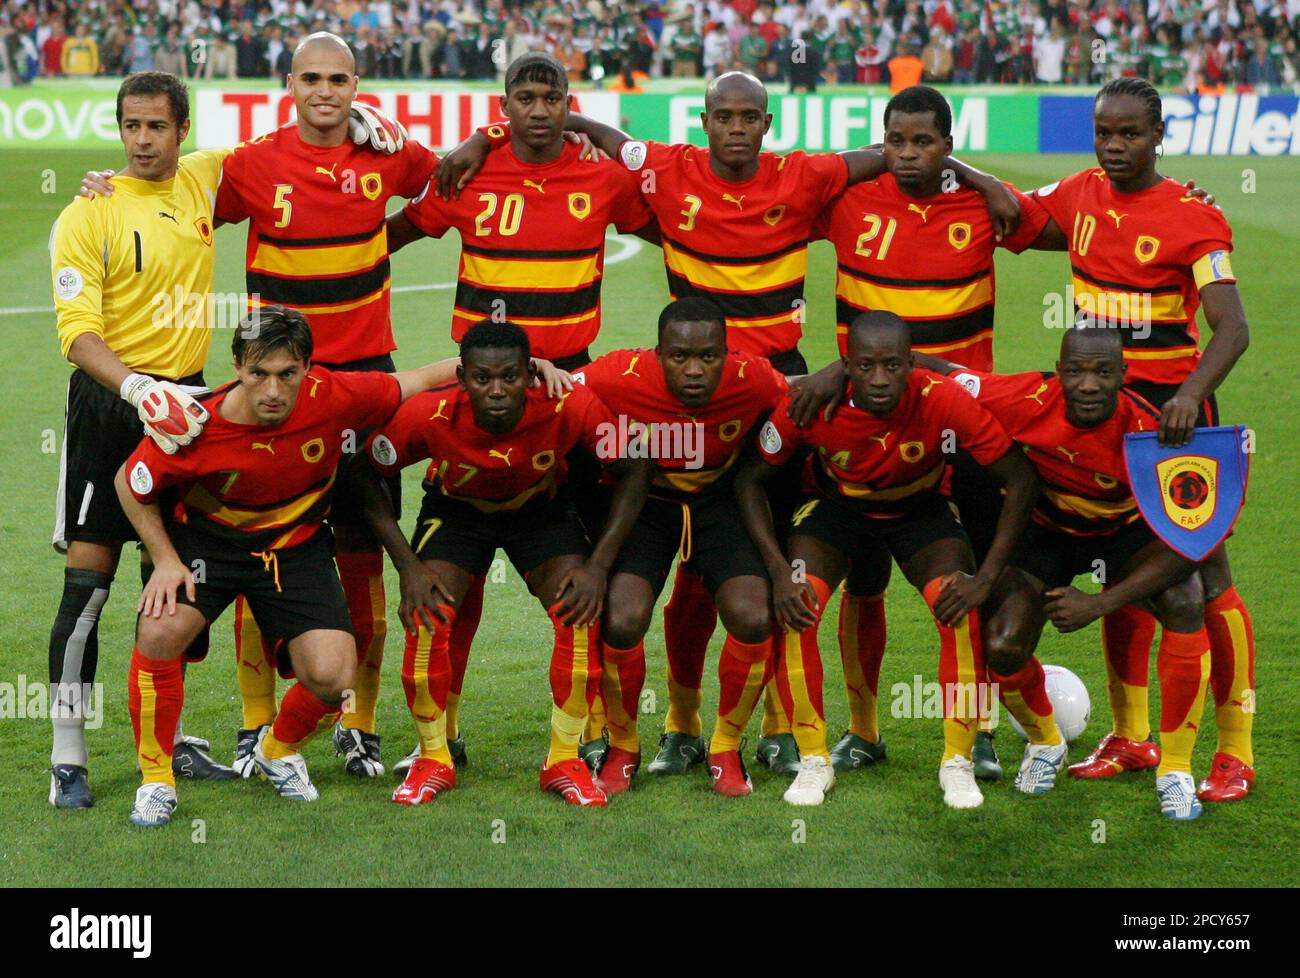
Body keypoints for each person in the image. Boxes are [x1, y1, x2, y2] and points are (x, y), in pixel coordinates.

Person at [440, 68, 1020, 777]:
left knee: (781, 565)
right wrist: (486, 135)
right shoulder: (666, 170)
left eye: (751, 117)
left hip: (781, 391)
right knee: (694, 577)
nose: (737, 128)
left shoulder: (806, 176)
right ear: (706, 122)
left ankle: (786, 727)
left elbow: (901, 151)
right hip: (691, 391)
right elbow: (588, 132)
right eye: (725, 116)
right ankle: (680, 726)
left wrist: (982, 181)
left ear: (767, 124)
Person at [81, 33, 439, 781]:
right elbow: (167, 192)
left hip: (360, 382)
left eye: (339, 79)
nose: (324, 91)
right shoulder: (251, 164)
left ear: (358, 83)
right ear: (288, 83)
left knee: (362, 551)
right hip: (272, 385)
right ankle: (254, 727)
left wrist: (377, 238)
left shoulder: (392, 154)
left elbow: (441, 192)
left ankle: (359, 725)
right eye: (310, 77)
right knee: (255, 541)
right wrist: (106, 189)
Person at [382, 53, 655, 773]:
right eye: (523, 98)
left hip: (571, 388)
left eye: (550, 97)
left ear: (569, 101)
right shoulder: (469, 174)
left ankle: (594, 726)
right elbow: (392, 236)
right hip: (481, 389)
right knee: (456, 574)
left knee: (587, 562)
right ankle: (444, 729)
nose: (538, 109)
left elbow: (669, 228)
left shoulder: (603, 174)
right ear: (505, 105)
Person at [114, 306, 460, 826]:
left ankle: (276, 749)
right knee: (160, 632)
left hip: (296, 547)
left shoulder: (334, 395)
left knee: (334, 676)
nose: (272, 390)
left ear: (307, 368)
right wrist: (164, 559)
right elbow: (131, 481)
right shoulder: (195, 423)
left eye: (286, 374)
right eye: (258, 374)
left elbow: (421, 378)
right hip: (212, 546)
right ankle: (156, 780)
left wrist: (535, 368)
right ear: (237, 367)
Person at [1024, 77, 1255, 803]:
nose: (1115, 146)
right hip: (1102, 413)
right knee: (1120, 563)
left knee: (1206, 576)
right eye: (1104, 132)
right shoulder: (1081, 192)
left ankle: (1236, 752)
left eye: (1129, 134)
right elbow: (1012, 214)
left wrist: (1188, 394)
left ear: (1160, 136)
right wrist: (946, 169)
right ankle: (1131, 735)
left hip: (1174, 420)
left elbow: (1234, 326)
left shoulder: (1192, 217)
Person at [809, 84, 1050, 777]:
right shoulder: (848, 199)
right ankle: (863, 729)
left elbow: (1067, 226)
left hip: (963, 432)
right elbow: (780, 194)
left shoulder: (984, 204)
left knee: (973, 585)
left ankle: (975, 734)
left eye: (924, 142)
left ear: (949, 143)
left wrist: (978, 178)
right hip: (867, 426)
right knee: (864, 582)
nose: (908, 154)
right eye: (896, 141)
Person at [735, 312, 1038, 808]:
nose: (880, 379)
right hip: (839, 507)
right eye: (867, 366)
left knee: (958, 606)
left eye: (892, 366)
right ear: (846, 366)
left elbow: (1020, 477)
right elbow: (750, 478)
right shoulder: (812, 402)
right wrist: (776, 570)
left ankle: (957, 762)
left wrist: (985, 579)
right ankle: (814, 761)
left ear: (911, 363)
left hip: (920, 509)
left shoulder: (941, 397)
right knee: (799, 604)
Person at [915, 327, 1217, 818]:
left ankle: (1176, 770)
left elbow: (1190, 544)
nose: (1088, 385)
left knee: (1185, 600)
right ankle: (1046, 742)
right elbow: (944, 373)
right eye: (1074, 371)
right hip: (1049, 532)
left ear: (1124, 374)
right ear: (1059, 373)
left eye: (1102, 372)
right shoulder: (1024, 397)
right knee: (1002, 644)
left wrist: (1101, 603)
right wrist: (839, 371)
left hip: (1126, 534)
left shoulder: (1155, 432)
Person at [359, 321, 652, 806]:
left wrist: (598, 566)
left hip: (540, 512)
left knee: (579, 613)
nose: (496, 391)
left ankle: (563, 759)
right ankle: (434, 759)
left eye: (510, 378)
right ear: (461, 376)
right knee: (426, 617)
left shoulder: (565, 402)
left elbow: (635, 462)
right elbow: (365, 471)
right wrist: (407, 566)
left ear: (530, 374)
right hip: (455, 512)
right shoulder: (430, 411)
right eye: (482, 379)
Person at [47, 71, 230, 809]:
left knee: (181, 587)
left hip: (187, 405)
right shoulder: (86, 213)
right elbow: (77, 335)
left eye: (156, 126)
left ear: (182, 129)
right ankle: (68, 756)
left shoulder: (204, 181)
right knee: (88, 589)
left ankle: (167, 741)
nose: (142, 140)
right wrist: (137, 390)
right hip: (110, 405)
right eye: (131, 126)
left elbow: (294, 142)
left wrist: (370, 114)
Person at [571, 298, 791, 795]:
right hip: (646, 500)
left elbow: (795, 393)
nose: (695, 370)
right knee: (622, 617)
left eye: (709, 357)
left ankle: (725, 747)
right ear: (657, 353)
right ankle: (624, 745)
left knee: (753, 615)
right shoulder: (617, 375)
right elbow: (559, 388)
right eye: (679, 357)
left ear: (727, 353)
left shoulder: (751, 378)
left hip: (720, 500)